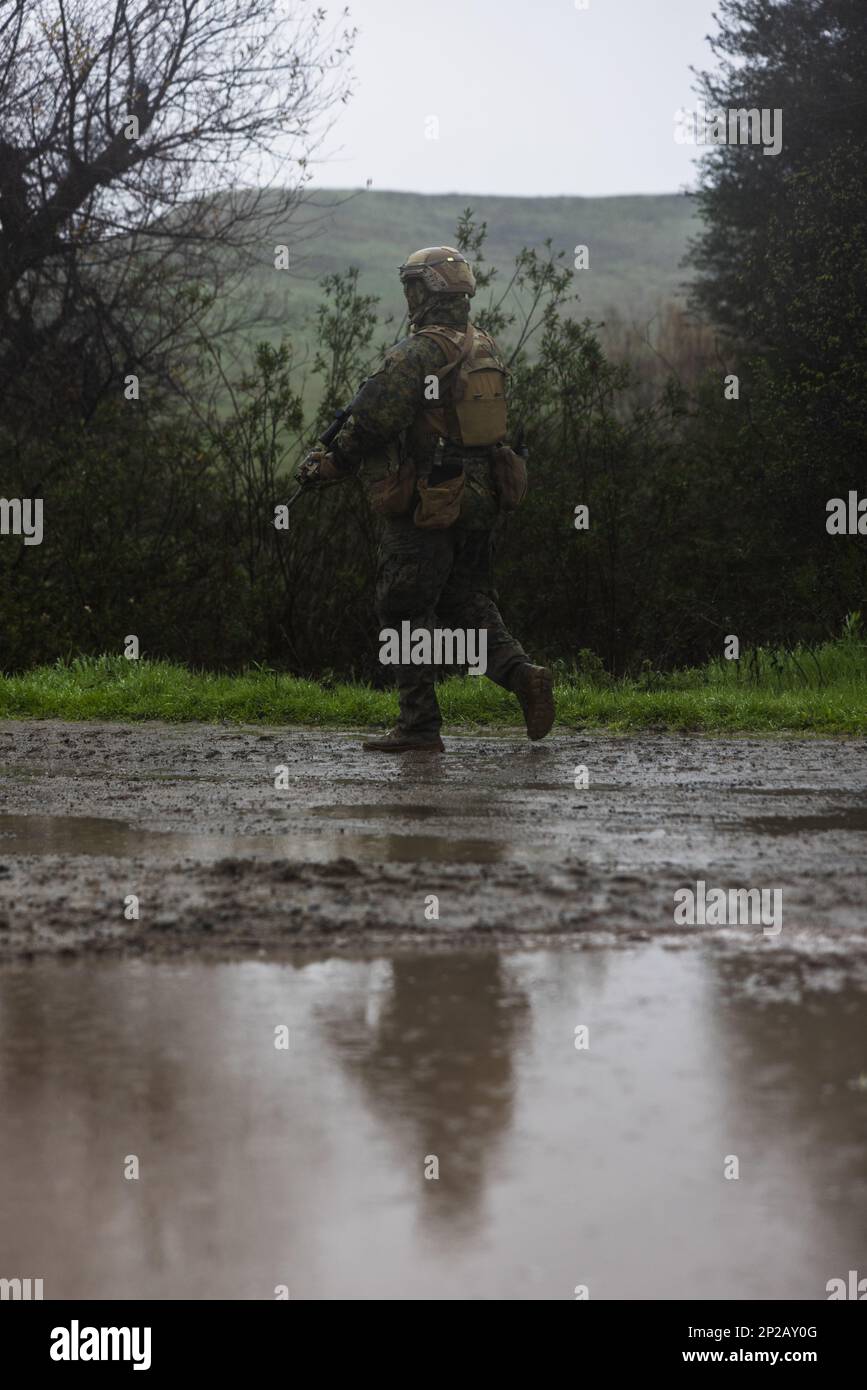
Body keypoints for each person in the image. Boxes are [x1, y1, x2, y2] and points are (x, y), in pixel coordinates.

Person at [299, 246, 555, 753]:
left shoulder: (415, 353)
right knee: (467, 602)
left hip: (429, 502)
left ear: (427, 291)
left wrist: (330, 464)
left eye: (412, 286)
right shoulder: (485, 346)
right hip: (481, 500)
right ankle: (523, 676)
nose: (408, 296)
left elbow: (372, 423)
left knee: (403, 607)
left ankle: (418, 727)